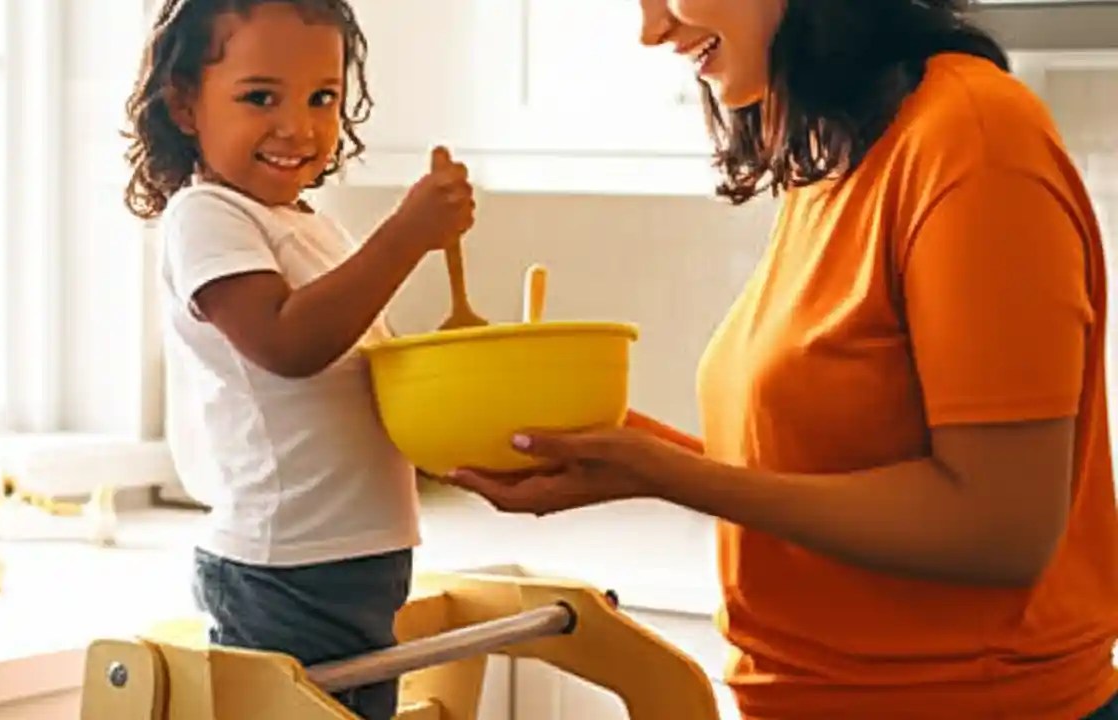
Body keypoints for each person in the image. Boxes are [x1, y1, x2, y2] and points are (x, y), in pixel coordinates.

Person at [444, 1, 1118, 718]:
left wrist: (667, 473)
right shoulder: (842, 148)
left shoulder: (973, 137)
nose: (651, 29)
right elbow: (829, 475)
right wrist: (633, 454)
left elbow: (1000, 526)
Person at [121, 1, 474, 718]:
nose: (300, 126)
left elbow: (359, 374)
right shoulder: (209, 217)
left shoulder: (314, 228)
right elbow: (288, 345)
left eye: (324, 97)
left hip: (359, 559)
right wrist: (406, 235)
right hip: (283, 571)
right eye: (260, 97)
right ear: (185, 105)